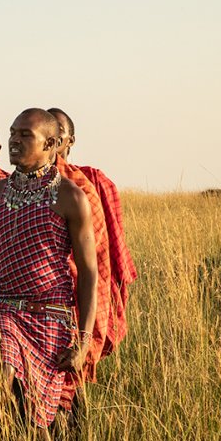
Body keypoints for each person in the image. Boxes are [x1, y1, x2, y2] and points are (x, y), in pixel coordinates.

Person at [0, 109, 96, 441]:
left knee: (38, 420)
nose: (14, 141)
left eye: (25, 135)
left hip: (51, 317)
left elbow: (89, 273)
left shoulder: (71, 197)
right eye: (12, 133)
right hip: (4, 311)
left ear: (52, 144)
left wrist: (83, 342)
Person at [48, 107, 137, 357]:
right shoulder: (21, 185)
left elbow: (102, 246)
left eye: (59, 133)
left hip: (83, 277)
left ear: (70, 141)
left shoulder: (87, 182)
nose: (52, 139)